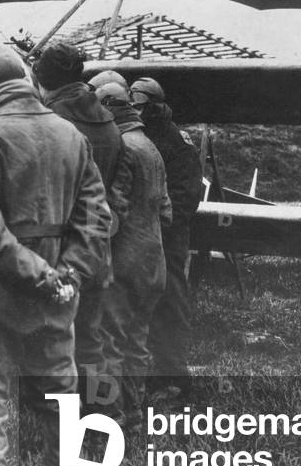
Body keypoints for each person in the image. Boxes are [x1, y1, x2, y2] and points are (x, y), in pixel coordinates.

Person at [0, 45, 110, 466]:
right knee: (59, 392)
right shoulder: (72, 136)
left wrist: (39, 276)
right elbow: (97, 217)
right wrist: (69, 275)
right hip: (62, 288)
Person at [32, 43, 127, 386]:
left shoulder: (52, 124)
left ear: (42, 78)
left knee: (53, 342)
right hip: (98, 250)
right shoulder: (109, 123)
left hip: (61, 253)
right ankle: (104, 416)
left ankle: (60, 421)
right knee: (91, 340)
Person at [94, 81, 172, 425]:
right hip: (154, 260)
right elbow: (166, 211)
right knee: (137, 339)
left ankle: (109, 413)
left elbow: (114, 213)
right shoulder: (151, 147)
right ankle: (135, 409)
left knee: (110, 337)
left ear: (111, 106)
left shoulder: (124, 146)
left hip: (125, 260)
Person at [129, 77, 203, 401]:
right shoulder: (141, 137)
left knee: (171, 302)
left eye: (142, 107)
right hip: (146, 232)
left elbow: (188, 196)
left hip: (169, 236)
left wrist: (162, 222)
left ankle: (174, 377)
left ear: (156, 107)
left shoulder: (178, 143)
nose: (137, 113)